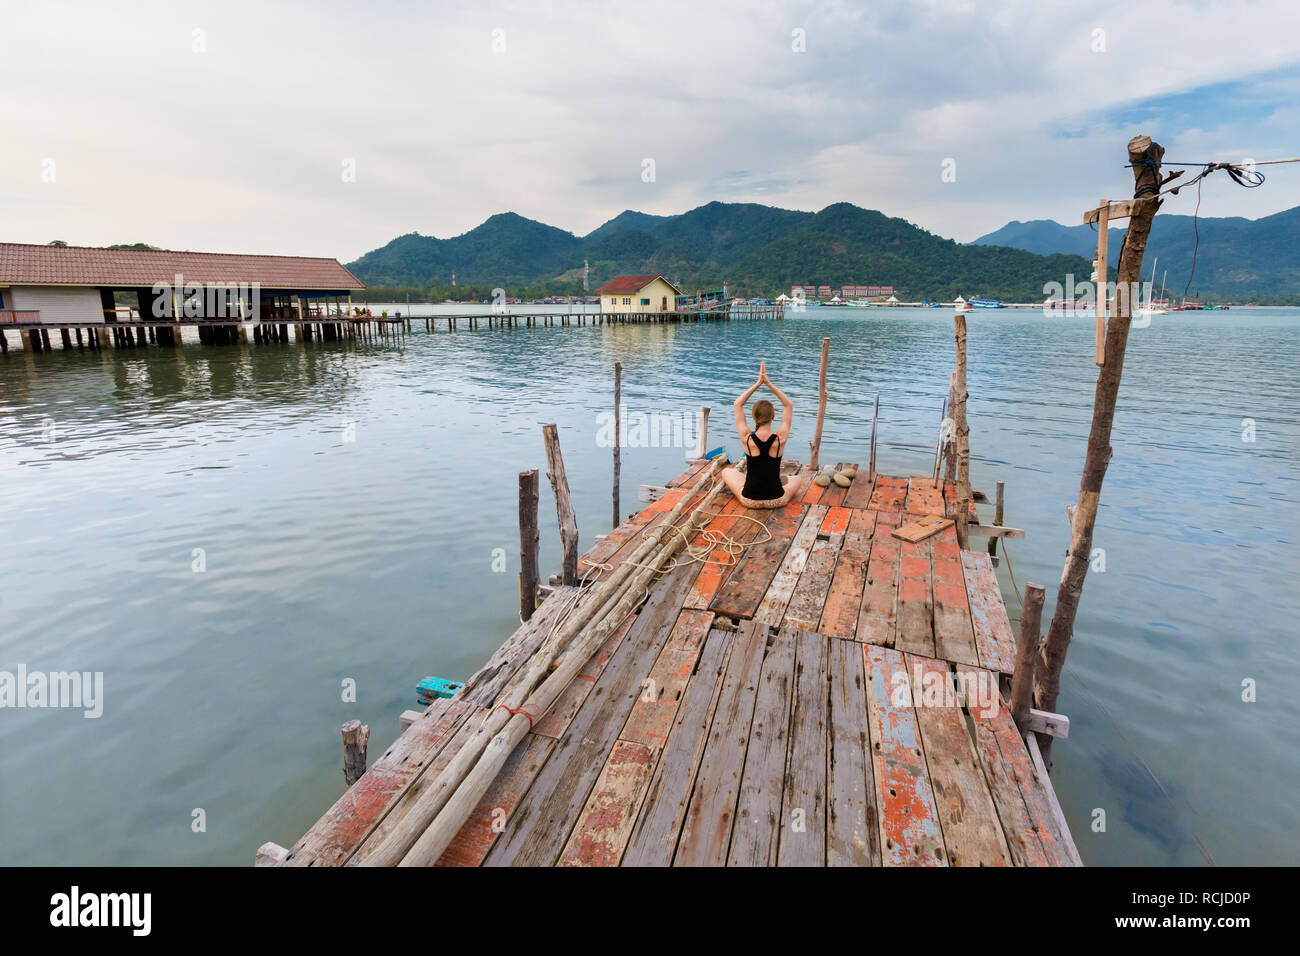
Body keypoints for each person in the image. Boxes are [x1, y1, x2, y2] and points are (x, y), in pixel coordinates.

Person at [720, 362, 807, 508]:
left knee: (727, 473)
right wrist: (768, 383)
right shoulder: (780, 439)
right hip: (777, 500)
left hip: (750, 500)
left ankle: (765, 482)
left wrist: (757, 383)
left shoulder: (747, 438)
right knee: (797, 479)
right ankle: (778, 480)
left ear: (754, 418)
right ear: (773, 416)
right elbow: (788, 405)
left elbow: (737, 404)